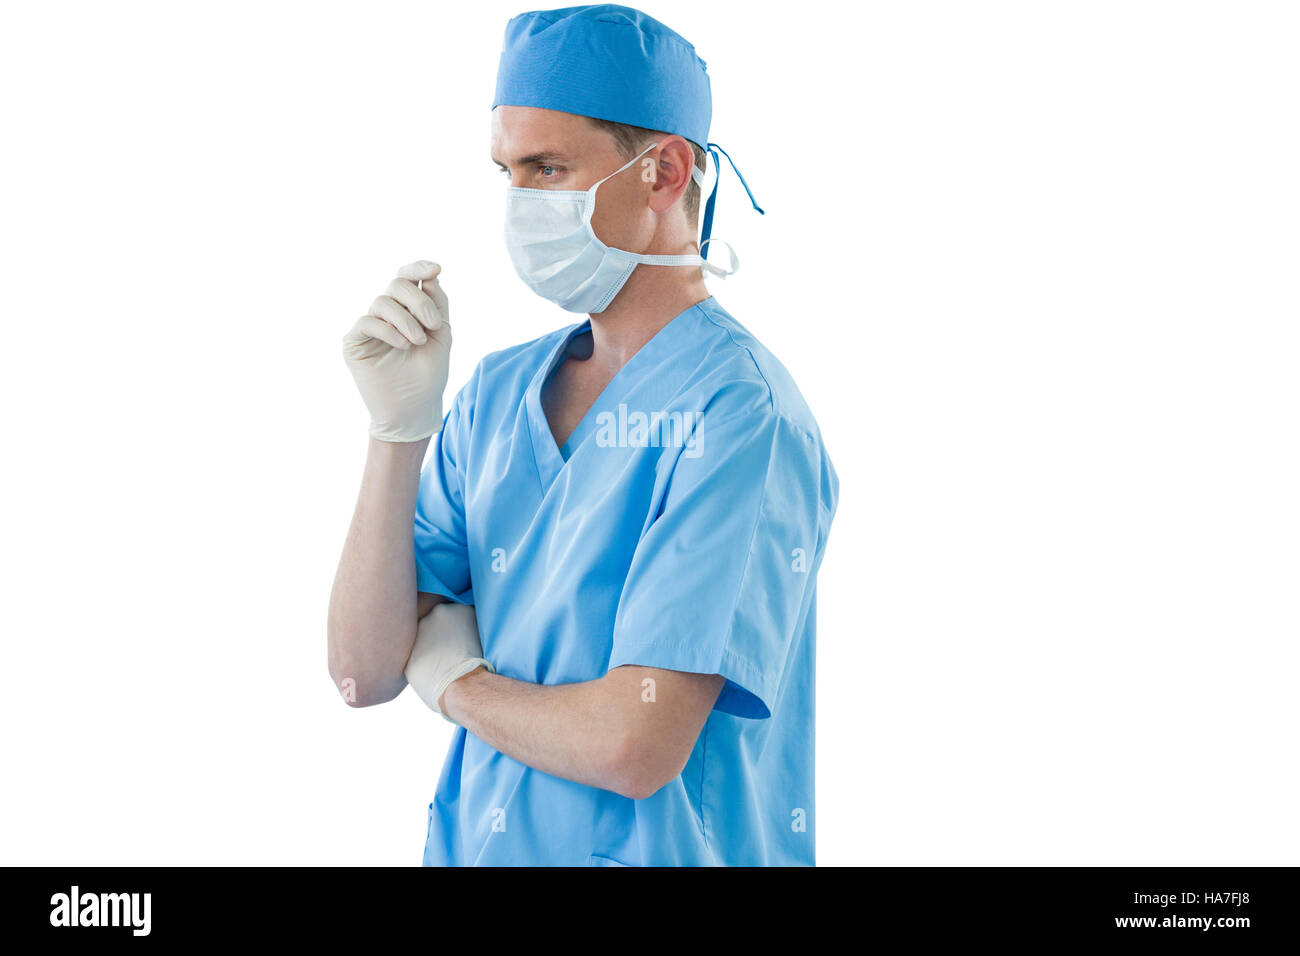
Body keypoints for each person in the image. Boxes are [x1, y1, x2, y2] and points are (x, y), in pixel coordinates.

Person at [328, 3, 838, 866]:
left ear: (665, 172)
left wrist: (458, 683)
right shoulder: (497, 393)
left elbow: (632, 747)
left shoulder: (740, 414)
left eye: (549, 168)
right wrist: (397, 432)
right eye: (506, 171)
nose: (519, 204)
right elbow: (363, 670)